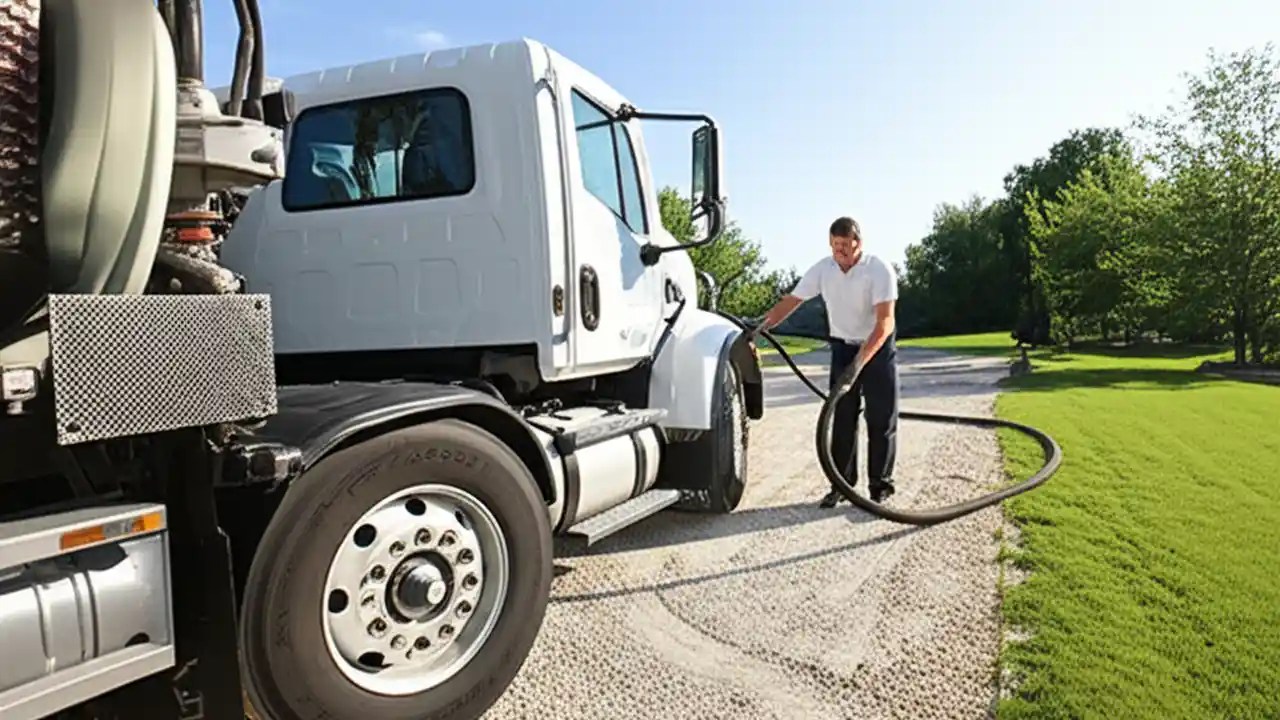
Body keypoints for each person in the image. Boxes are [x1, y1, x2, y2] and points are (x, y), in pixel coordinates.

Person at [751, 216, 900, 508]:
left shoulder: (879, 270)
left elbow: (885, 322)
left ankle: (880, 487)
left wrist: (860, 364)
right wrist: (758, 329)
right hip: (843, 347)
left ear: (858, 243)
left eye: (845, 245)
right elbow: (791, 301)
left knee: (881, 417)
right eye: (835, 245)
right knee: (842, 417)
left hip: (877, 347)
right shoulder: (824, 270)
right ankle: (842, 486)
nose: (840, 251)